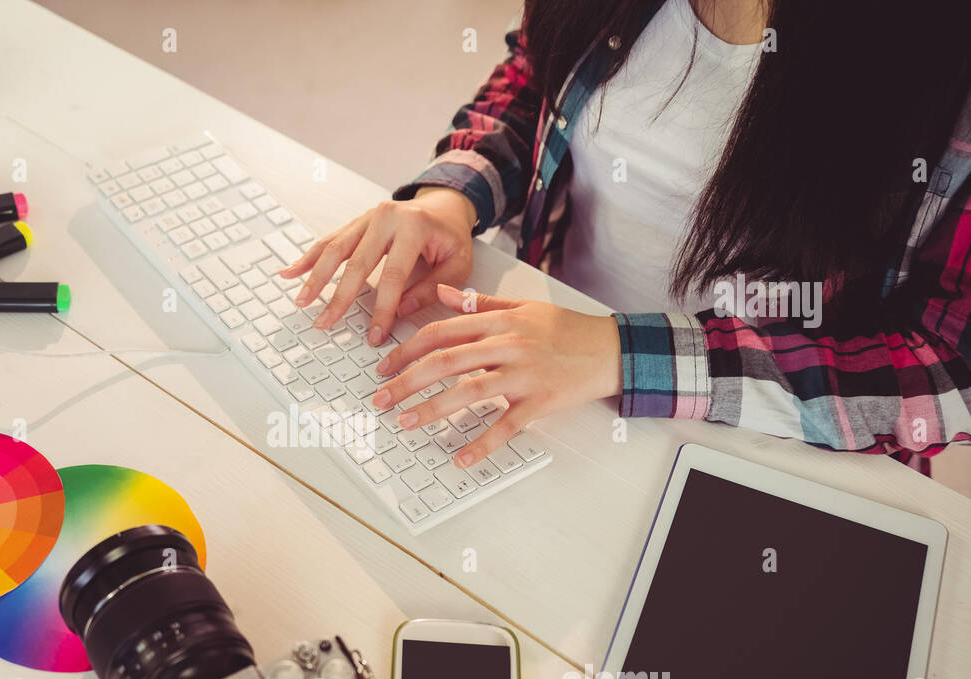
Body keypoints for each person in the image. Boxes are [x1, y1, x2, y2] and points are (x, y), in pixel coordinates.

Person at [280, 0, 971, 473]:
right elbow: (536, 77)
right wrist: (449, 197)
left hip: (784, 447)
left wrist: (623, 353)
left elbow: (947, 371)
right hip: (552, 361)